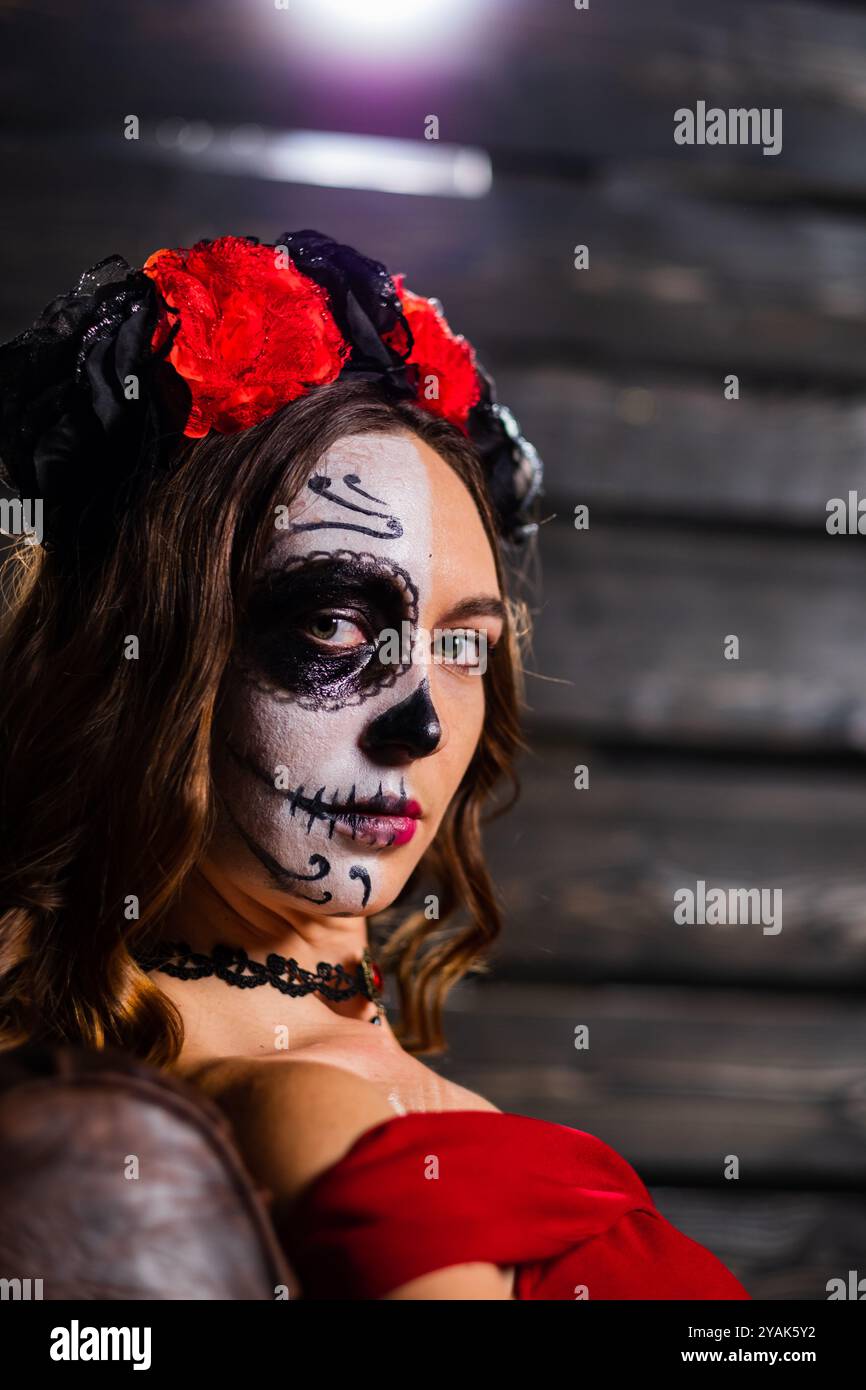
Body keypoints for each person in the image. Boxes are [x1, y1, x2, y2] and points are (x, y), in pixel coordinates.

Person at [0, 231, 749, 1300]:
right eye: (336, 623)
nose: (425, 727)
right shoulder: (315, 1107)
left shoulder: (325, 1087)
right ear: (152, 655)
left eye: (461, 645)